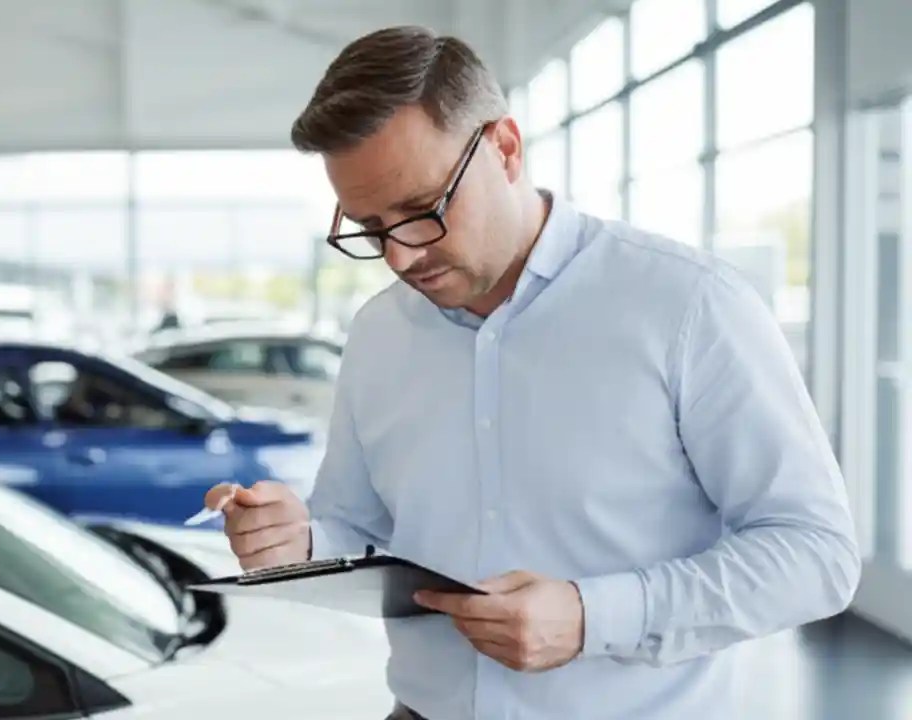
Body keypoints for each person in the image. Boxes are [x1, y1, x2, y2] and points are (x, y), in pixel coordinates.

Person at [204, 25, 859, 720]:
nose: (399, 257)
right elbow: (358, 528)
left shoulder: (689, 306)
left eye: (422, 212)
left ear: (506, 148)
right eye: (370, 229)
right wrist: (301, 542)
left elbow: (815, 555)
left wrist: (592, 616)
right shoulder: (378, 332)